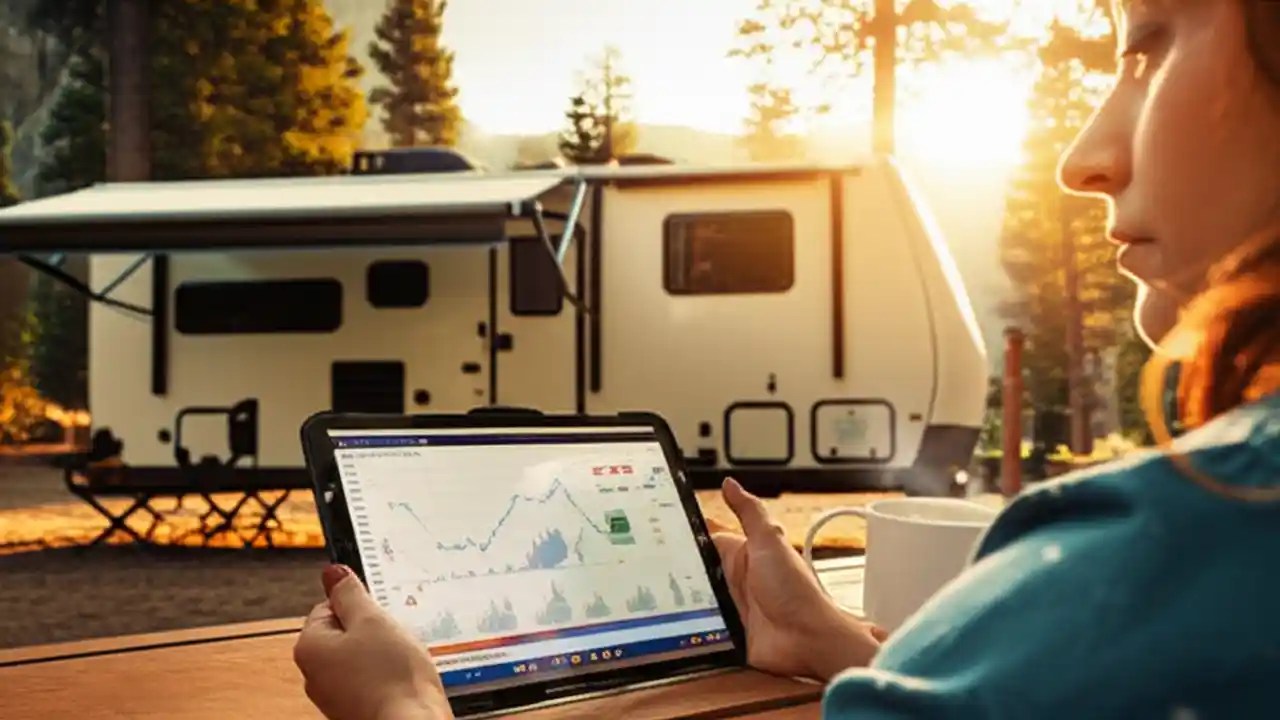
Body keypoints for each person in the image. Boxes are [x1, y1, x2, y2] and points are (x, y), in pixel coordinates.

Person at [293, 1, 1280, 717]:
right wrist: (831, 645)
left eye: (1145, 47)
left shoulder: (1202, 533)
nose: (1081, 156)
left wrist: (402, 710)